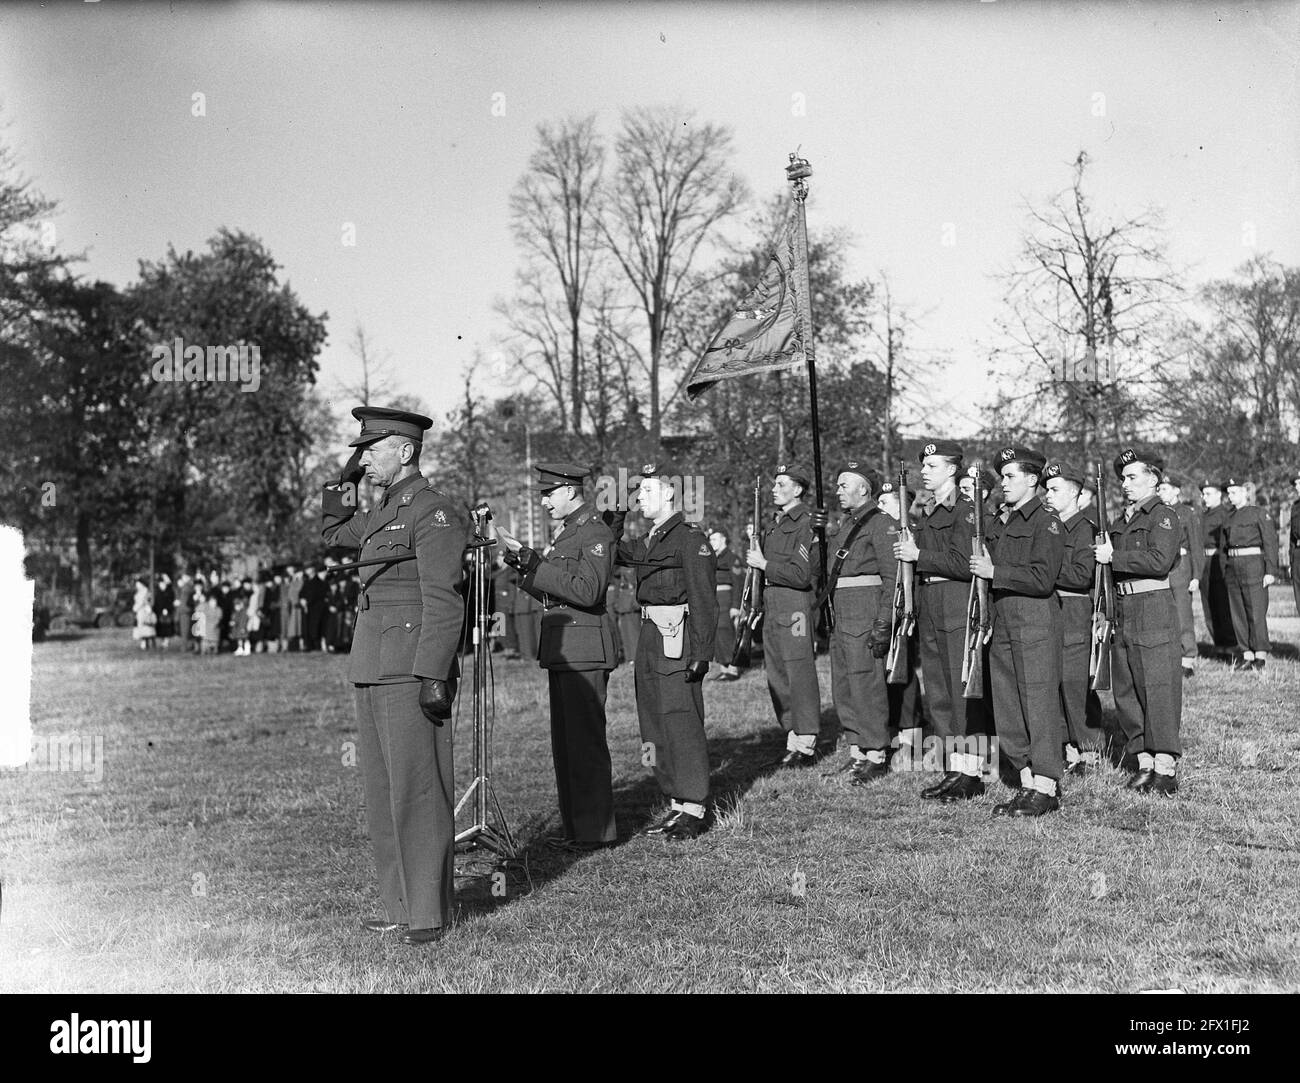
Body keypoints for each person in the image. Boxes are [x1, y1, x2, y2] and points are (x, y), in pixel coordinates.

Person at [323, 405, 466, 947]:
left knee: (418, 788)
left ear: (405, 452)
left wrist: (434, 673)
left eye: (372, 448)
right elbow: (334, 532)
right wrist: (343, 479)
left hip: (409, 667)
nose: (364, 458)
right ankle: (401, 905)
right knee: (384, 791)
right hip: (372, 663)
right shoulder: (381, 511)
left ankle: (429, 912)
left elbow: (443, 600)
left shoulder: (432, 513)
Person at [496, 462, 619, 851]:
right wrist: (525, 567)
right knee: (566, 744)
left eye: (549, 494)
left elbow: (587, 592)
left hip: (584, 650)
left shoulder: (594, 532)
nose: (545, 502)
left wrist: (537, 564)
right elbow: (555, 592)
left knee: (584, 742)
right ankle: (576, 827)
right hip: (566, 649)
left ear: (569, 491)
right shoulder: (568, 533)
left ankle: (595, 831)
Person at [608, 462, 718, 840]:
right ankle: (675, 801)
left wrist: (702, 650)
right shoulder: (650, 539)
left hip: (678, 635)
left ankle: (694, 805)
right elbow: (613, 552)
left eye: (647, 491)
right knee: (653, 721)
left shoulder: (690, 538)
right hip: (650, 633)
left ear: (670, 493)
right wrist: (615, 514)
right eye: (638, 493)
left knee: (681, 719)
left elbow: (704, 598)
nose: (640, 497)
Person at [971, 447, 1065, 817]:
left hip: (1035, 618)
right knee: (1008, 703)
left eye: (1010, 476)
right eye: (1002, 477)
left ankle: (1046, 784)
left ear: (1032, 480)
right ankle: (1026, 780)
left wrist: (995, 573)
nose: (1003, 483)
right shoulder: (999, 522)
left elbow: (1043, 579)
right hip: (1003, 619)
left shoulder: (1047, 522)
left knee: (1038, 702)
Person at [892, 440, 987, 801]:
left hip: (955, 600)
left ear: (952, 470)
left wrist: (920, 555)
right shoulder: (930, 511)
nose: (925, 472)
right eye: (924, 465)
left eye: (932, 466)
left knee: (960, 688)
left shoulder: (964, 511)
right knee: (939, 690)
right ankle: (955, 767)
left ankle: (972, 771)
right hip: (933, 601)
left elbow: (966, 563)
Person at [1093, 448, 1181, 796]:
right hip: (1123, 607)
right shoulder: (1119, 522)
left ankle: (1165, 766)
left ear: (1154, 478)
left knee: (1157, 687)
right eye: (1123, 478)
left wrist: (1115, 556)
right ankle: (1143, 760)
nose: (1124, 483)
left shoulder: (1163, 516)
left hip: (1152, 605)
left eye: (1132, 477)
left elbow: (1159, 561)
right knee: (1127, 688)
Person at [823, 460, 897, 783]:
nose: (838, 491)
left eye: (844, 485)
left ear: (864, 489)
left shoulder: (880, 524)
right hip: (842, 610)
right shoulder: (844, 524)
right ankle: (857, 750)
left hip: (865, 609)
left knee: (866, 681)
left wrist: (885, 620)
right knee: (844, 683)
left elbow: (893, 576)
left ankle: (876, 751)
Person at [749, 464, 823, 767]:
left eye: (781, 484)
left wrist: (764, 564)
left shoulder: (805, 523)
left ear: (798, 489)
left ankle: (805, 742)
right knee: (777, 673)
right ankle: (792, 734)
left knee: (799, 673)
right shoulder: (775, 524)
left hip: (795, 604)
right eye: (774, 484)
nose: (774, 489)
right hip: (773, 602)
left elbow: (801, 574)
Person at [1042, 460, 1103, 775]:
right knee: (1053, 681)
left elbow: (1081, 574)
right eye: (1047, 490)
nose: (1048, 495)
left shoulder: (1086, 529)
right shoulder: (1048, 526)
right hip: (1049, 608)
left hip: (1075, 610)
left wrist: (1043, 571)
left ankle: (1089, 749)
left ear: (1076, 493)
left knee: (1076, 682)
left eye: (1055, 489)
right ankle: (1068, 746)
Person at [1223, 477, 1278, 671]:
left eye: (1234, 492)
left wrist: (1271, 571)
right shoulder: (1228, 518)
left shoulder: (1259, 514)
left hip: (1254, 566)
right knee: (1237, 612)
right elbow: (1224, 548)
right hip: (1233, 567)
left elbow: (1270, 543)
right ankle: (1246, 654)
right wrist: (1224, 571)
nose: (1230, 496)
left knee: (1256, 611)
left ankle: (1260, 655)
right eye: (1228, 493)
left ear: (1246, 492)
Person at [1156, 476, 1204, 677]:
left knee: (1183, 613)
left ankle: (1188, 659)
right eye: (1160, 488)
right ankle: (1168, 655)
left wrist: (1196, 576)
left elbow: (1196, 546)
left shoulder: (1187, 513)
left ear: (1176, 491)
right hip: (1161, 567)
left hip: (1181, 567)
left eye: (1166, 488)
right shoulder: (1157, 512)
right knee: (1162, 613)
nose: (1161, 492)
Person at [1197, 481, 1236, 655]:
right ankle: (1219, 645)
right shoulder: (1203, 516)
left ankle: (1230, 646)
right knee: (1208, 605)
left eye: (1209, 494)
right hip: (1203, 562)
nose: (1205, 498)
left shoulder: (1224, 515)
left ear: (1219, 495)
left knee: (1222, 605)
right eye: (1203, 494)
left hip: (1217, 561)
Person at [707, 528, 744, 680]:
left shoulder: (732, 558)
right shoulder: (710, 558)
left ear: (723, 540)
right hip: (714, 599)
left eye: (714, 539)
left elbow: (738, 583)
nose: (711, 542)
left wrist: (736, 606)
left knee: (726, 633)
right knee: (716, 633)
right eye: (710, 540)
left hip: (726, 599)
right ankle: (724, 668)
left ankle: (733, 669)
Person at [281, 564, 302, 652]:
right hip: (288, 608)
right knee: (289, 628)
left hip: (296, 607)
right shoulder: (286, 584)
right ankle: (288, 647)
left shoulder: (298, 581)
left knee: (297, 626)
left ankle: (298, 647)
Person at [132, 578, 156, 650]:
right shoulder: (140, 592)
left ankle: (146, 643)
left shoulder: (144, 592)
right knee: (142, 626)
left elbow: (142, 602)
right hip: (140, 611)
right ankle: (144, 642)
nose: (137, 585)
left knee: (146, 626)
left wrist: (135, 608)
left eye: (138, 584)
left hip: (143, 611)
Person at [154, 573, 175, 649]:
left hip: (167, 613)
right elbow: (156, 603)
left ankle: (166, 642)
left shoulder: (169, 592)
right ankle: (163, 642)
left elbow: (170, 602)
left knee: (167, 628)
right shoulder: (158, 593)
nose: (161, 585)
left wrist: (167, 609)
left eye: (163, 583)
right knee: (161, 628)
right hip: (159, 613)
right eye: (160, 583)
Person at [1290, 471, 1300, 619]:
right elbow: (1292, 535)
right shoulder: (1295, 506)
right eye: (1296, 483)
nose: (1297, 486)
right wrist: (1291, 559)